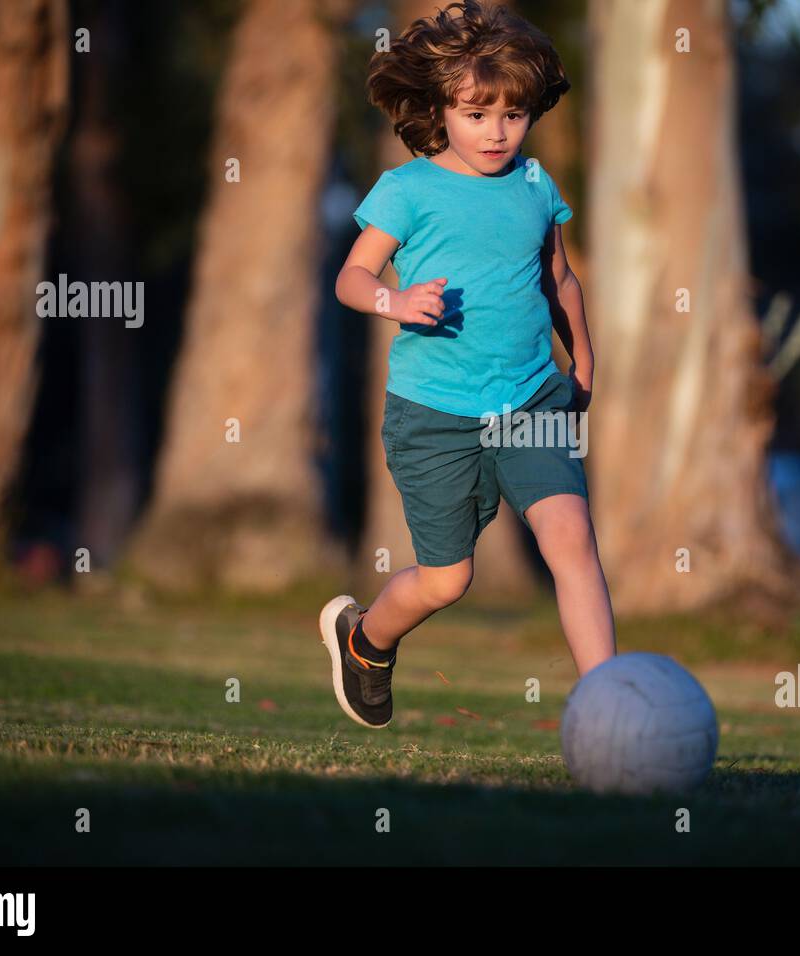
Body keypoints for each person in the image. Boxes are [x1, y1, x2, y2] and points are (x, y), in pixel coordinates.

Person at [325, 0, 615, 728]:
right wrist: (395, 303)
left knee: (572, 537)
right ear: (441, 110)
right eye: (477, 114)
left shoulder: (534, 187)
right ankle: (364, 641)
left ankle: (611, 703)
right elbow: (350, 279)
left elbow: (560, 280)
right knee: (449, 579)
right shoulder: (408, 190)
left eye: (513, 116)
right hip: (434, 414)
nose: (496, 133)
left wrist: (582, 358)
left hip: (531, 400)